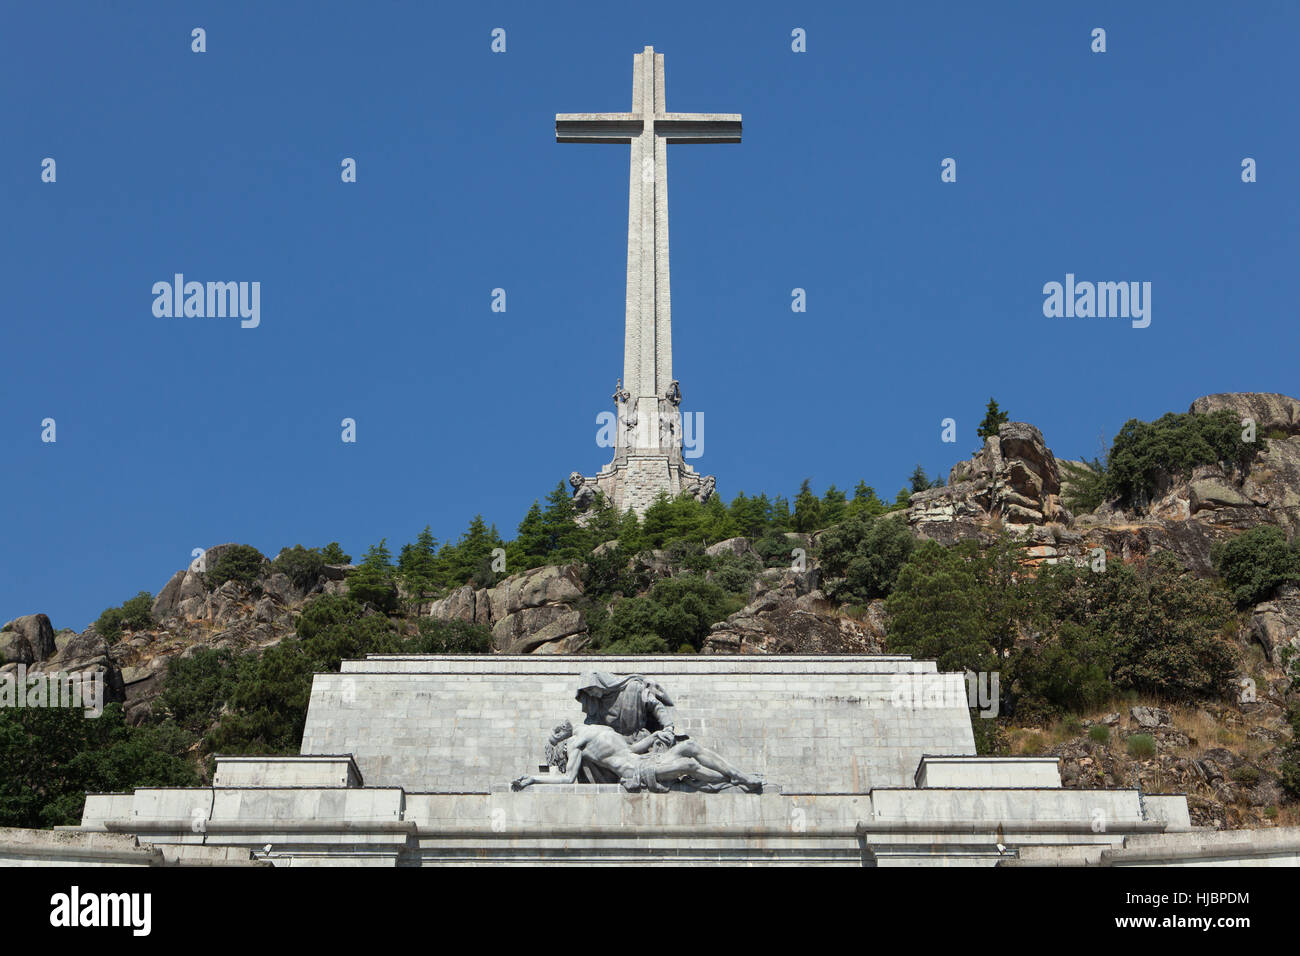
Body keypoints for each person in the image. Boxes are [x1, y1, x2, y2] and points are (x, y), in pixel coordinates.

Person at [511, 719, 762, 794]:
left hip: (643, 760)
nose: (558, 727)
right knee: (689, 764)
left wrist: (654, 737)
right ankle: (731, 784)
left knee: (691, 747)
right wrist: (533, 779)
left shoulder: (598, 729)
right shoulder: (577, 744)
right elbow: (567, 780)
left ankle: (739, 777)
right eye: (555, 734)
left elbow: (631, 750)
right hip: (637, 773)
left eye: (556, 728)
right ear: (562, 742)